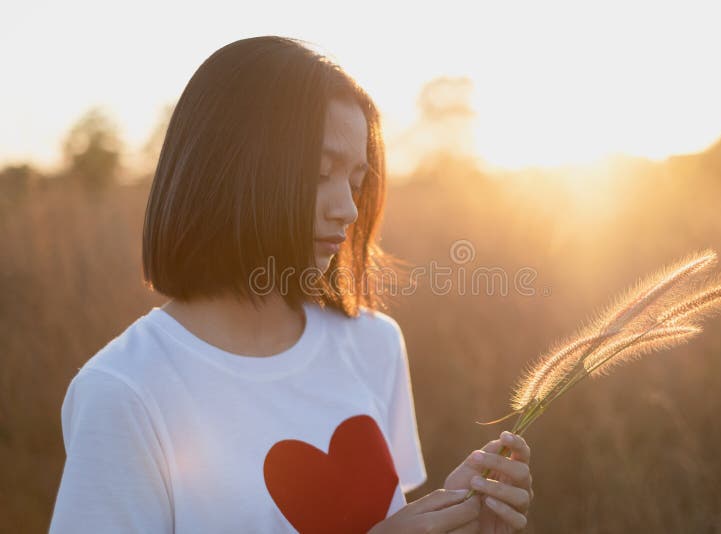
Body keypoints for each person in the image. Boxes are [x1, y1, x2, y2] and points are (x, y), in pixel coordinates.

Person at [48, 36, 533, 533]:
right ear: (229, 169)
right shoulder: (124, 392)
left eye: (356, 181)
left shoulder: (373, 343)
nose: (346, 208)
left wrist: (452, 516)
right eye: (320, 173)